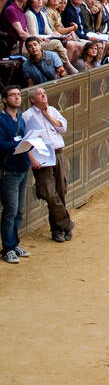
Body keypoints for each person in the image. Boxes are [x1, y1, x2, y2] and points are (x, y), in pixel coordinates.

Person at [22, 85, 74, 242]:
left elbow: (63, 127)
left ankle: (58, 230)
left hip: (58, 153)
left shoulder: (52, 110)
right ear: (32, 99)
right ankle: (66, 223)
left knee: (61, 190)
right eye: (40, 94)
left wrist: (47, 116)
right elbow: (26, 140)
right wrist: (32, 159)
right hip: (42, 156)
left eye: (44, 93)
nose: (44, 95)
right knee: (49, 193)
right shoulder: (27, 115)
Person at [0, 87, 31, 263]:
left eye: (19, 95)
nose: (18, 98)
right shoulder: (1, 120)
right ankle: (7, 248)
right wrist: (16, 145)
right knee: (10, 211)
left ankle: (14, 243)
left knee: (19, 210)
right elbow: (1, 144)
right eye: (13, 95)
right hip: (9, 170)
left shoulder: (20, 119)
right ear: (4, 100)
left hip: (22, 167)